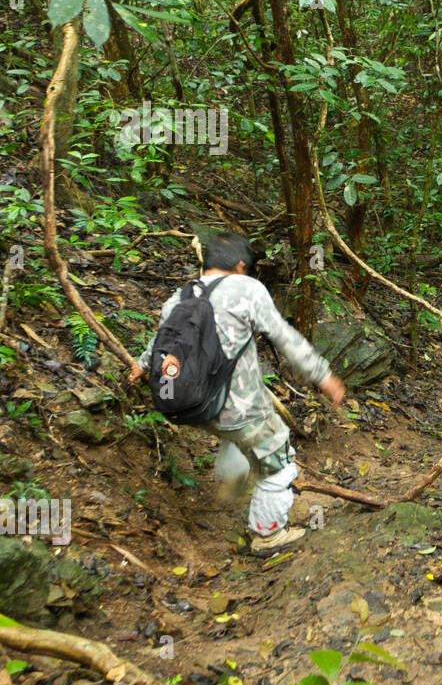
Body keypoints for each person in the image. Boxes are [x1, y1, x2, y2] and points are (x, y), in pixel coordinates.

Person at [129, 233, 346, 553]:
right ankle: (267, 535)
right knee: (279, 464)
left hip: (190, 405)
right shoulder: (247, 289)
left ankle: (232, 478)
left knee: (237, 434)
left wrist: (141, 365)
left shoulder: (180, 296)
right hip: (240, 409)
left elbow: (162, 342)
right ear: (240, 265)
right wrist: (323, 375)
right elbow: (285, 337)